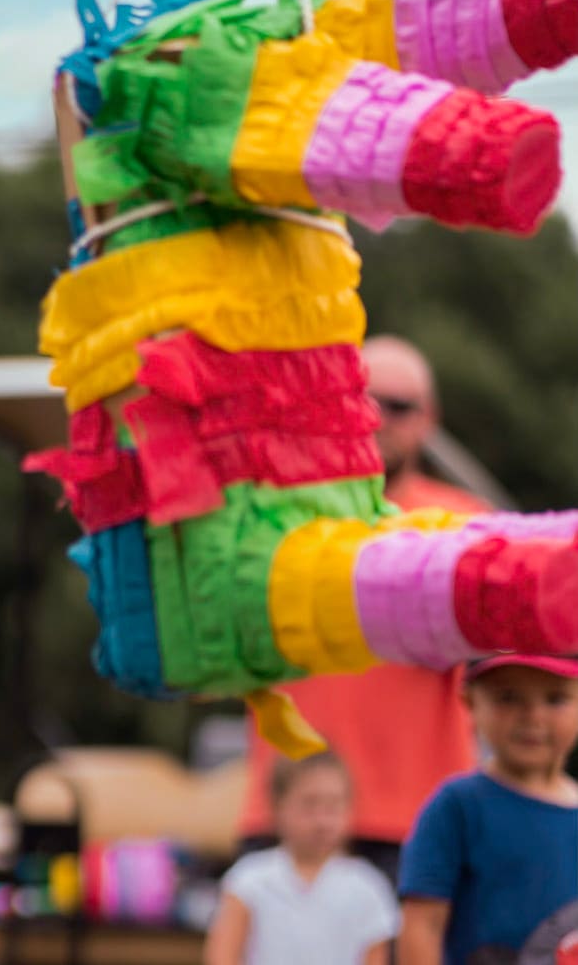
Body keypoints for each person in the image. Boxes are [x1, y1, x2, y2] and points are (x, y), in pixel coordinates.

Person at [236, 335, 486, 885]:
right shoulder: (272, 509)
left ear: (429, 419)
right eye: (362, 397)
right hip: (285, 810)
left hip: (418, 821)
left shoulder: (468, 523)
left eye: (398, 406)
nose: (377, 417)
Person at [398, 654, 578, 965]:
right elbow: (423, 924)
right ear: (469, 703)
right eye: (508, 698)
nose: (533, 716)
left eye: (555, 699)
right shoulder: (457, 805)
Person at [206, 752, 399, 965]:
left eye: (333, 806)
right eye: (309, 804)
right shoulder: (247, 881)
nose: (322, 821)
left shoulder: (369, 887)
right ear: (278, 806)